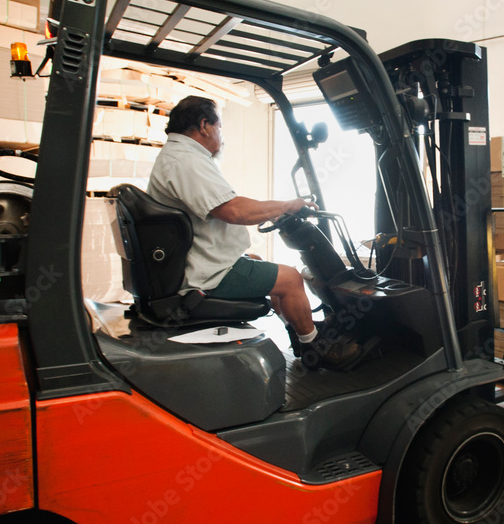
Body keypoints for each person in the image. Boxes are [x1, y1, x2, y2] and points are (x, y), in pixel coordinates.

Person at [147, 96, 358, 368]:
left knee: (258, 261)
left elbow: (226, 206)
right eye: (219, 127)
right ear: (204, 126)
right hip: (205, 274)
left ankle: (299, 332)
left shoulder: (177, 156)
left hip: (198, 261)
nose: (221, 135)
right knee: (291, 279)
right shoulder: (186, 161)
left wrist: (274, 210)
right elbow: (234, 211)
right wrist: (285, 206)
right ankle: (315, 348)